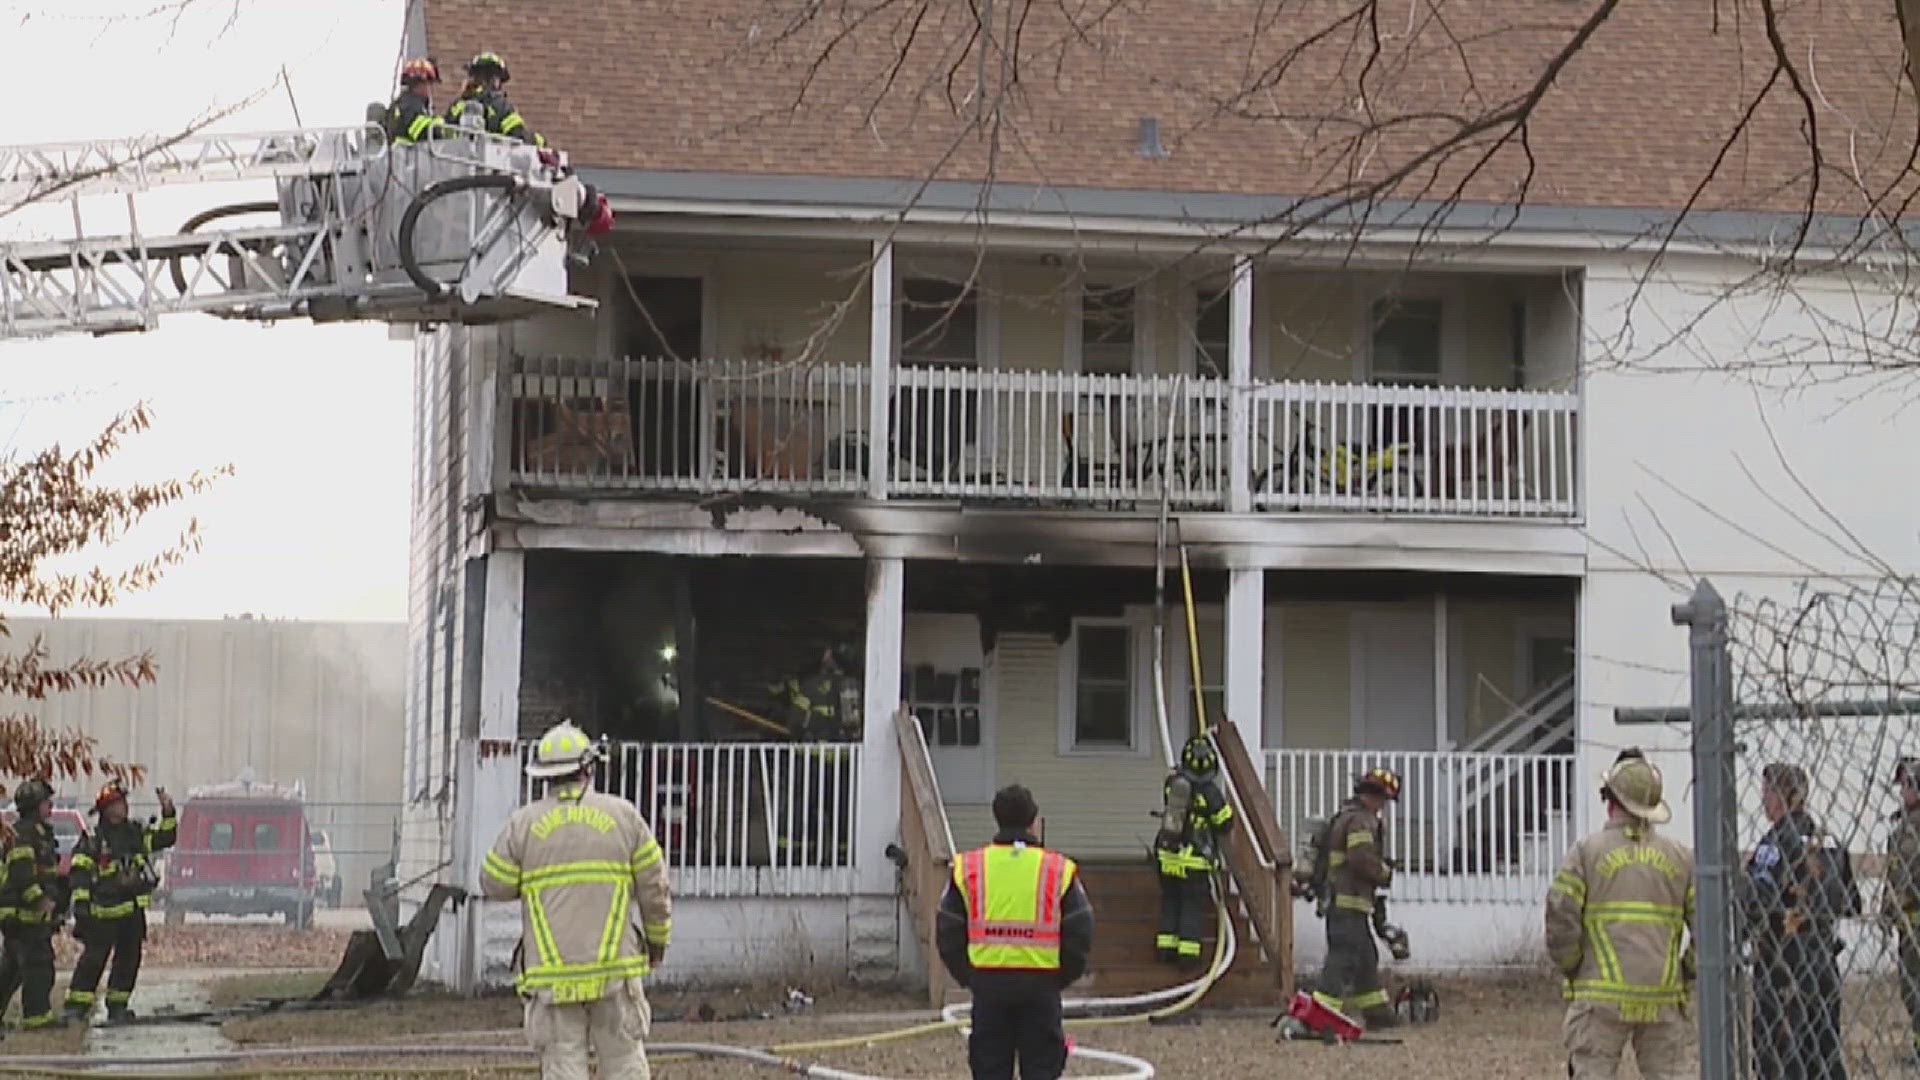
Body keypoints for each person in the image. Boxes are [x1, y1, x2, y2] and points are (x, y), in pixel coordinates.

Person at [483, 721, 672, 1080]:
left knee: (563, 1066)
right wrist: (657, 942)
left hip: (552, 976)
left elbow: (495, 884)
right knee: (625, 1062)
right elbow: (655, 888)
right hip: (615, 970)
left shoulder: (522, 825)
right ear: (588, 768)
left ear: (544, 777)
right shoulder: (624, 817)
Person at [1545, 750, 1695, 1079]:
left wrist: (1572, 965)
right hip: (1662, 996)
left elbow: (1560, 916)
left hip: (1599, 998)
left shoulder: (1586, 853)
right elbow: (1711, 928)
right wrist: (1685, 971)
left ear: (1611, 801)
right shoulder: (1683, 858)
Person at [936, 784, 1094, 1080]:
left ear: (997, 819)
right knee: (1042, 1069)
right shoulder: (1058, 869)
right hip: (1042, 984)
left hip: (988, 983)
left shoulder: (969, 866)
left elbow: (947, 928)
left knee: (989, 1067)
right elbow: (1080, 928)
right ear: (1033, 821)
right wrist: (1061, 976)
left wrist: (970, 976)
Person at [1745, 762, 1857, 1080]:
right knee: (1823, 1053)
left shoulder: (1775, 843)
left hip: (1782, 965)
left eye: (1767, 793)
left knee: (1779, 1057)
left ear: (1784, 797)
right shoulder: (1828, 841)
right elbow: (1850, 903)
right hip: (1822, 959)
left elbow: (1757, 901)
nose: (1763, 801)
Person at [62, 781, 177, 1023]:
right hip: (101, 914)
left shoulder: (135, 833)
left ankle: (118, 1006)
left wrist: (168, 812)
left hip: (131, 913)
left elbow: (165, 838)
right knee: (93, 962)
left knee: (128, 960)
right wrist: (81, 908)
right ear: (106, 809)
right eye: (117, 803)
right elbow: (80, 872)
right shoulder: (94, 839)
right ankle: (75, 1008)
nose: (123, 807)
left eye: (123, 802)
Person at [1310, 767, 1401, 1028]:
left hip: (1348, 903)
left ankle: (1376, 1014)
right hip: (1347, 902)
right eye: (1383, 800)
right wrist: (1384, 872)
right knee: (1343, 957)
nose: (1383, 806)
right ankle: (1321, 1015)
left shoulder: (1347, 816)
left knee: (1365, 957)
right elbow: (1360, 857)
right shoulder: (1361, 820)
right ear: (1374, 796)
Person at [1153, 733, 1234, 967]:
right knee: (1191, 905)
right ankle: (1188, 956)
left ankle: (1165, 949)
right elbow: (1224, 823)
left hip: (1166, 855)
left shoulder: (1173, 785)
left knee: (1170, 900)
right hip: (1194, 860)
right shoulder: (1210, 793)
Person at [0, 779, 68, 1030]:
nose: (50, 806)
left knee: (12, 970)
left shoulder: (37, 833)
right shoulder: (24, 835)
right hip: (23, 915)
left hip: (24, 917)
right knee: (38, 966)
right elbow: (22, 876)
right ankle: (37, 1018)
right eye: (45, 802)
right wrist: (40, 901)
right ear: (34, 806)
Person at [1884, 758, 1920, 1069]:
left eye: (1907, 786)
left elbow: (1908, 874)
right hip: (1907, 924)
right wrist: (1887, 910)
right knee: (1911, 990)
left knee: (1916, 990)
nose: (1902, 793)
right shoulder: (1903, 826)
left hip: (1915, 921)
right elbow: (1894, 875)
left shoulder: (1913, 829)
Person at [445, 53, 546, 146]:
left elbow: (444, 133)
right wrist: (539, 140)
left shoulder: (457, 106)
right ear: (493, 79)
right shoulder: (500, 105)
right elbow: (518, 134)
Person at [384, 58, 448, 146]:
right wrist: (439, 125)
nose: (431, 89)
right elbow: (422, 131)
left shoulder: (403, 102)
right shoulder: (410, 104)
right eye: (430, 83)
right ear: (420, 83)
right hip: (408, 156)